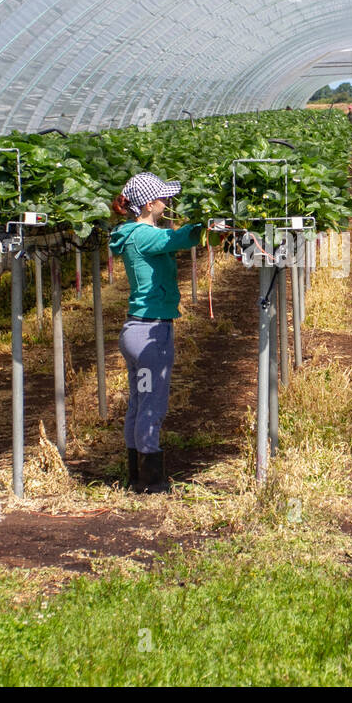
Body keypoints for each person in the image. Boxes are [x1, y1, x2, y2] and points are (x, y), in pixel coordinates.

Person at [108, 173, 204, 493]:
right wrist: (208, 224)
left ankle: (136, 474)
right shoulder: (143, 235)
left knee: (139, 401)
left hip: (135, 331)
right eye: (164, 198)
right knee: (152, 404)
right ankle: (150, 482)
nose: (169, 203)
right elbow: (177, 239)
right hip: (151, 336)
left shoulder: (130, 233)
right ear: (150, 204)